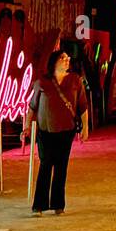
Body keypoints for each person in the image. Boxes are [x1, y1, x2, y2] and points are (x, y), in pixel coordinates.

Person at [25, 49, 88, 215]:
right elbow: (32, 107)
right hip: (45, 131)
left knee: (61, 167)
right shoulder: (42, 82)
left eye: (68, 58)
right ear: (54, 62)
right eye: (63, 58)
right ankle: (39, 205)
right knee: (45, 165)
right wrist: (26, 127)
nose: (67, 60)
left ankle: (58, 205)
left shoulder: (75, 80)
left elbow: (83, 107)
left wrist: (85, 128)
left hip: (66, 131)